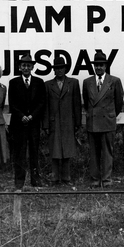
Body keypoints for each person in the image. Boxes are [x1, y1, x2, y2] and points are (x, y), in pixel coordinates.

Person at [82, 49, 124, 188]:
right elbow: (87, 102)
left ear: (105, 66)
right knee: (93, 153)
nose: (99, 67)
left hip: (107, 122)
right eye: (96, 65)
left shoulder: (114, 81)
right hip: (93, 122)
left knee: (107, 152)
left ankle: (106, 180)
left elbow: (119, 102)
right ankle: (95, 179)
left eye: (101, 65)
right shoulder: (87, 82)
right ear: (94, 66)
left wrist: (110, 115)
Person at [7, 53, 46, 190]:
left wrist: (32, 116)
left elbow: (42, 102)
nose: (26, 68)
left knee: (34, 151)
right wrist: (21, 116)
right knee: (19, 153)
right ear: (20, 67)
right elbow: (12, 103)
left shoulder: (39, 82)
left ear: (32, 67)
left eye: (28, 65)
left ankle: (35, 180)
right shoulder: (13, 82)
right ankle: (19, 181)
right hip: (19, 124)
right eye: (23, 65)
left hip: (33, 123)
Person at [43, 56, 82, 187]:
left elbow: (77, 104)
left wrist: (77, 123)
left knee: (67, 149)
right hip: (54, 122)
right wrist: (46, 124)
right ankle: (54, 177)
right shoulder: (48, 85)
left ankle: (66, 177)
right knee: (55, 150)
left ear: (65, 69)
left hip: (68, 122)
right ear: (54, 70)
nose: (59, 70)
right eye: (57, 68)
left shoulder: (73, 83)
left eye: (61, 68)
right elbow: (46, 106)